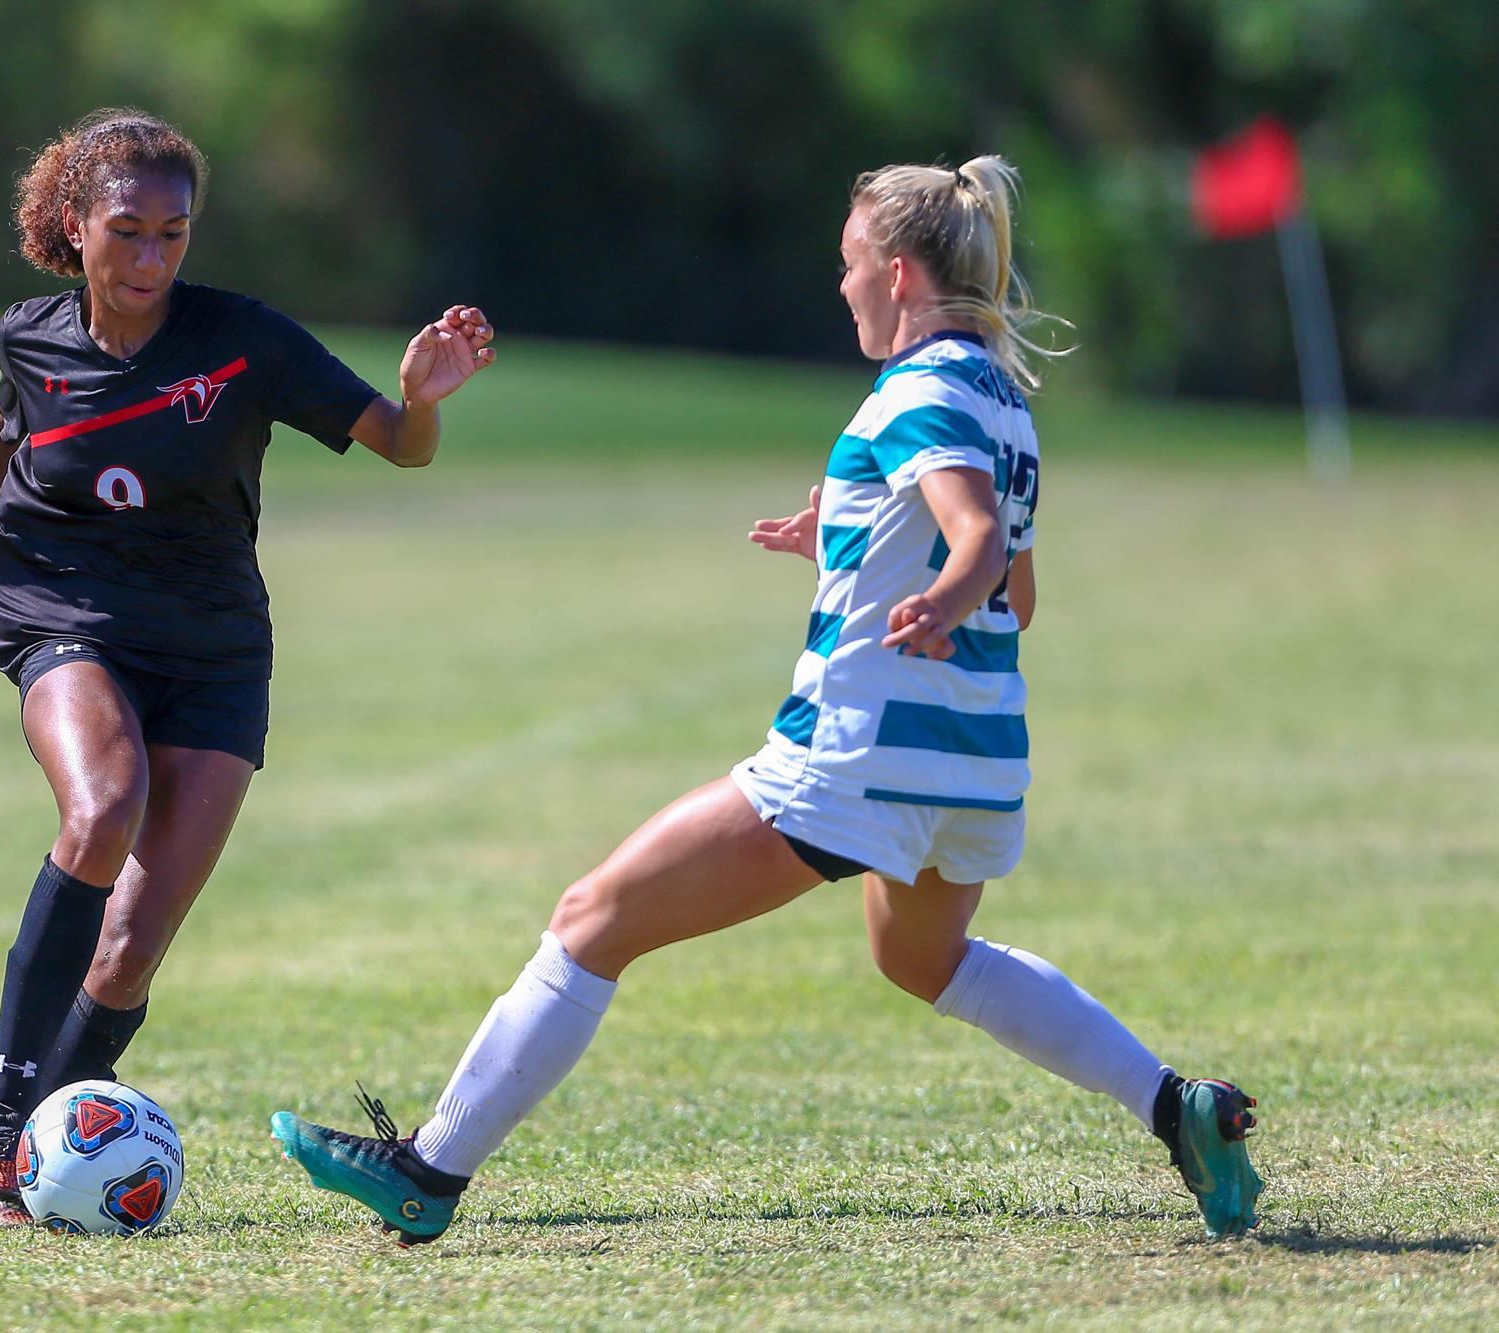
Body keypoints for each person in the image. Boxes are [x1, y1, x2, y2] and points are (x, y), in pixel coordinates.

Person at [272, 157, 1263, 1244]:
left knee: (590, 919)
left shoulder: (921, 387)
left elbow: (977, 547)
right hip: (972, 763)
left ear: (894, 271)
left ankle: (427, 1172)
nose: (838, 288)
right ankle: (1180, 1109)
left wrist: (933, 594)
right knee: (919, 959)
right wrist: (849, 552)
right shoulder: (1000, 397)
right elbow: (1016, 598)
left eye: (846, 266)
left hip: (859, 753)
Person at [0, 108, 497, 1227]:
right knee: (102, 806)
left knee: (134, 942)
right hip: (62, 608)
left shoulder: (243, 341)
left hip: (211, 647)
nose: (152, 257)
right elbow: (5, 431)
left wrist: (424, 397)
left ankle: (55, 1136)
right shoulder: (31, 336)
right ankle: (2, 1130)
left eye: (173, 233)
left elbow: (398, 443)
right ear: (77, 226)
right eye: (128, 232)